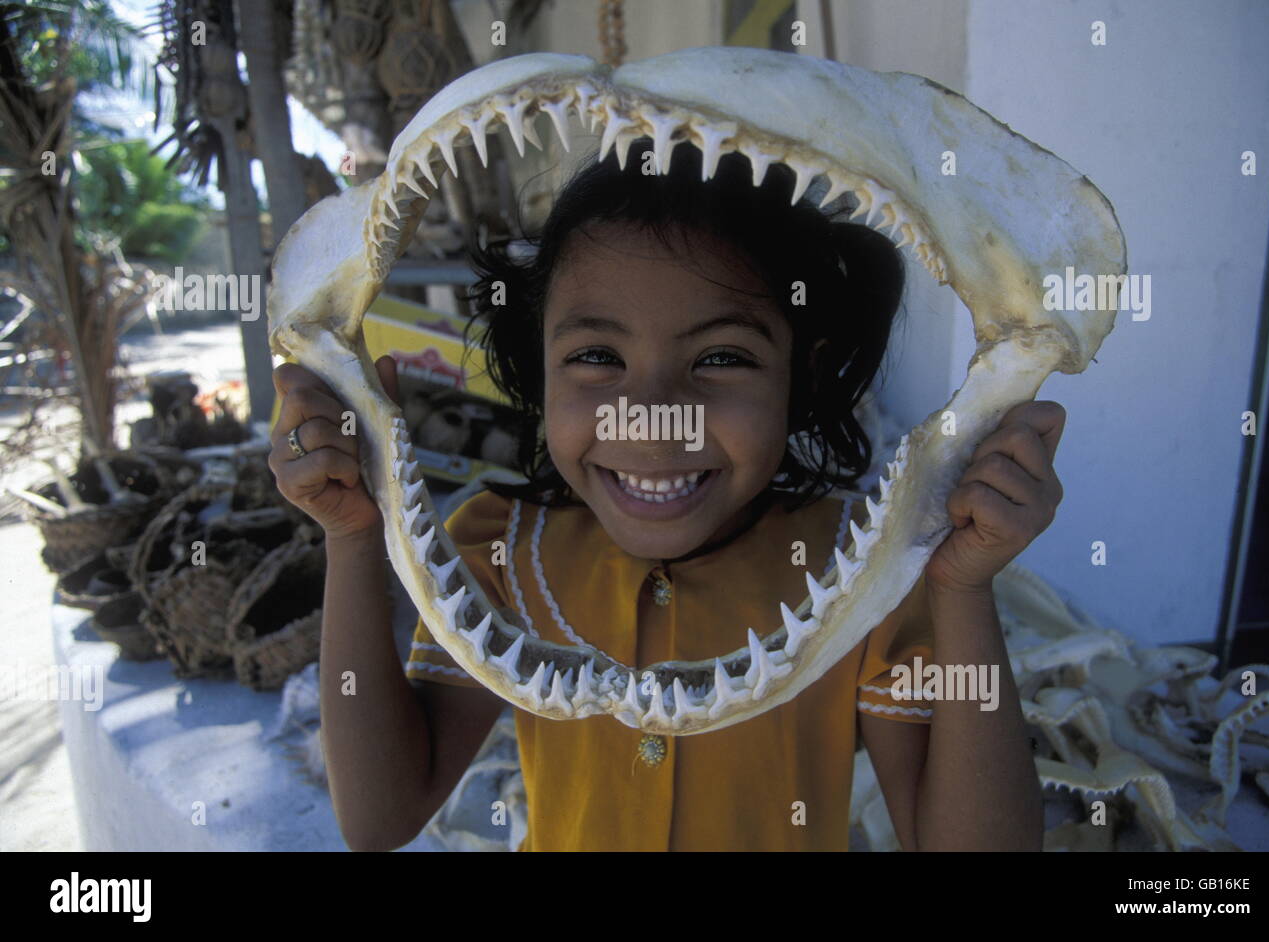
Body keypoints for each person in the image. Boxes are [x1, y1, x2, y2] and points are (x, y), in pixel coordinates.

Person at [270, 137, 1058, 851]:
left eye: (720, 359)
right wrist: (352, 534)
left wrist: (961, 585)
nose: (650, 421)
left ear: (805, 375)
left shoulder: (862, 574)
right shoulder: (502, 554)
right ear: (537, 364)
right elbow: (380, 817)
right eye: (597, 356)